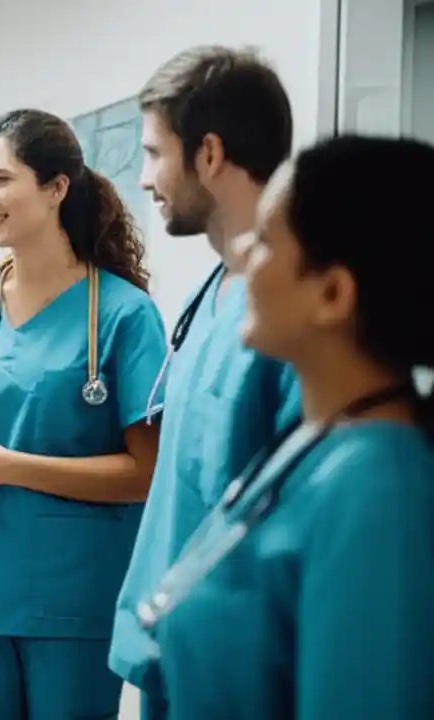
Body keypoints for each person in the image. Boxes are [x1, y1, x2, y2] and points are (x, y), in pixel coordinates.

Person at [141, 134, 434, 718]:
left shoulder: (378, 490)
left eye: (268, 239)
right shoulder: (319, 439)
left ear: (332, 293)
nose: (245, 252)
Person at [0, 108, 168, 719]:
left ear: (55, 188)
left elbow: (144, 473)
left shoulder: (123, 314)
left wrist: (10, 467)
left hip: (72, 602)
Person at [106, 46, 302, 719]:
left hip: (239, 672)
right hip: (175, 648)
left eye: (155, 154)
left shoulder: (294, 323)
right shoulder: (209, 294)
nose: (144, 178)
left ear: (209, 155)